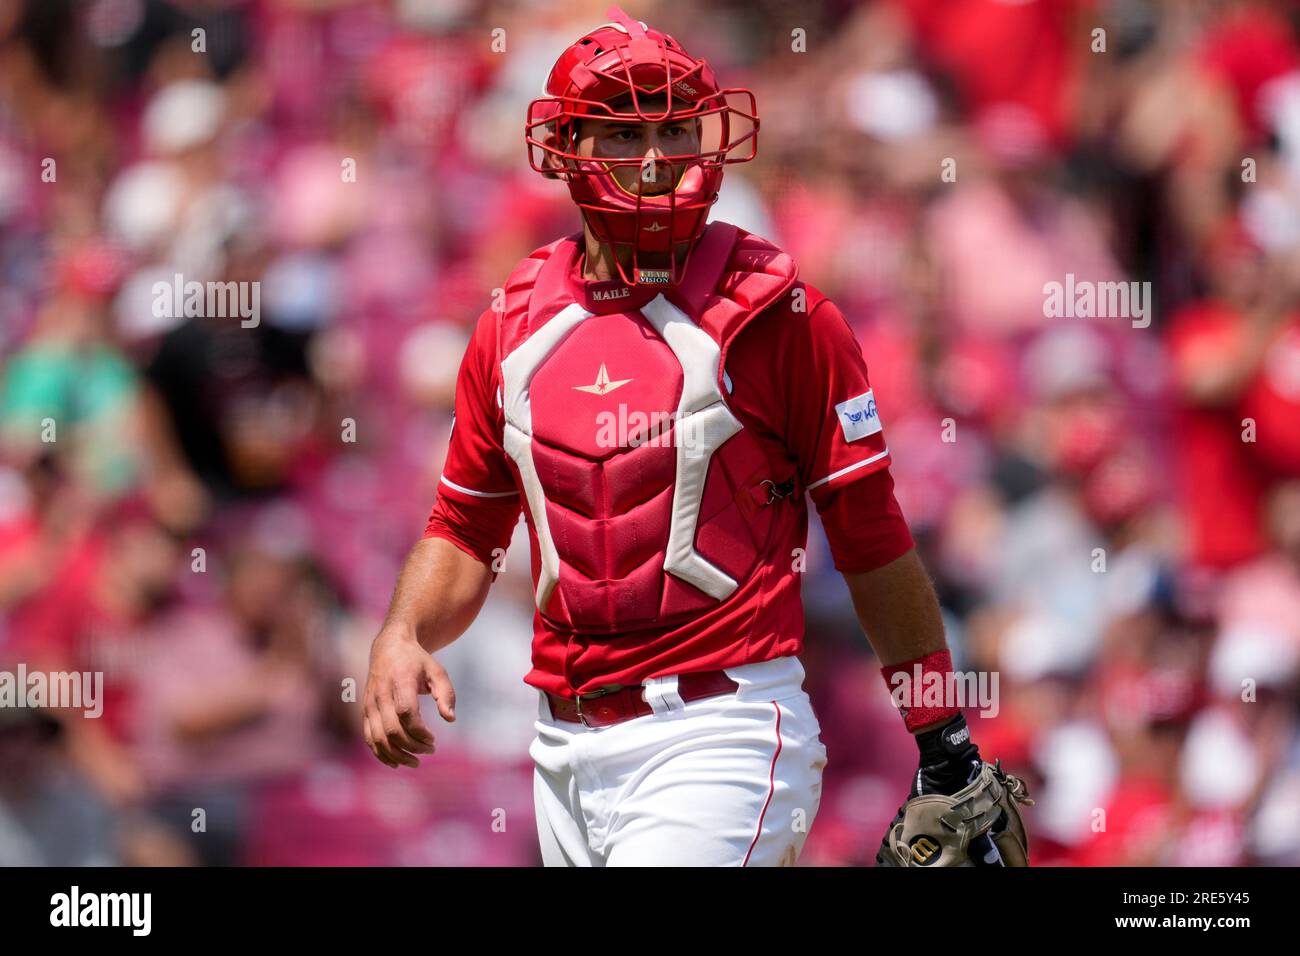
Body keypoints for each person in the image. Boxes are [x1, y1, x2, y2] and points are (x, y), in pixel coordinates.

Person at [363, 7, 996, 866]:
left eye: (675, 128)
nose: (658, 160)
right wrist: (403, 633)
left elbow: (870, 533)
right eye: (627, 134)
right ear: (567, 149)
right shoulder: (510, 325)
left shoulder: (780, 313)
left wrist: (944, 741)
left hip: (723, 728)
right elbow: (467, 528)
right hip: (561, 749)